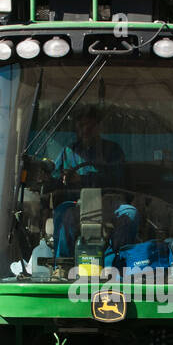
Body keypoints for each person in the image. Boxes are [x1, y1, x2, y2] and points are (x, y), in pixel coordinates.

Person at [47, 106, 125, 264]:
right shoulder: (68, 151)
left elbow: (119, 179)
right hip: (75, 204)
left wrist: (82, 180)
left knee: (130, 215)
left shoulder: (113, 150)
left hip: (110, 202)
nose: (86, 130)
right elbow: (54, 178)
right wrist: (55, 178)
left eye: (90, 126)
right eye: (82, 125)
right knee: (64, 215)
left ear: (99, 127)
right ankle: (62, 265)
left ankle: (119, 264)